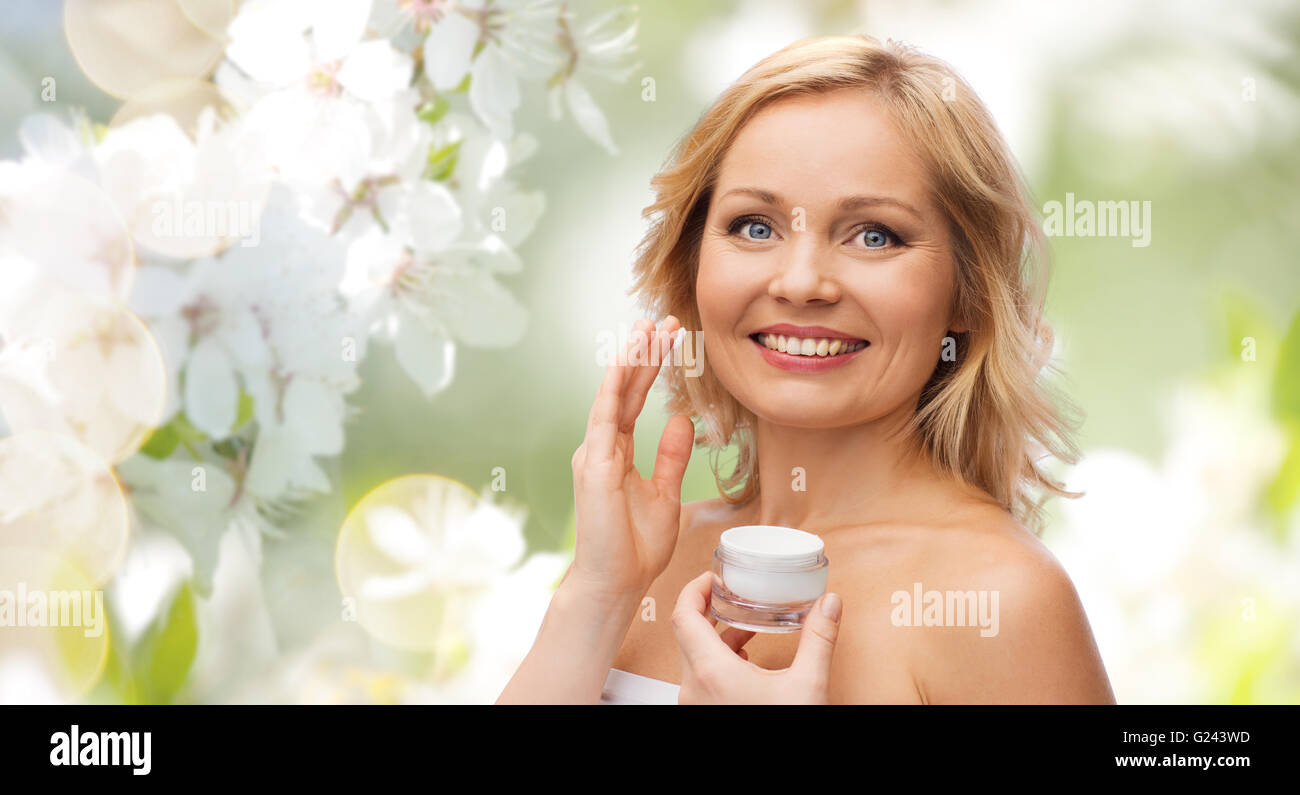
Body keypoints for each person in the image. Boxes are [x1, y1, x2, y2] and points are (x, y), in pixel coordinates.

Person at [497, 34, 1115, 704]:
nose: (801, 282)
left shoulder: (1000, 598)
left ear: (966, 293)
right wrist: (595, 594)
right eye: (756, 227)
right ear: (694, 262)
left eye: (874, 234)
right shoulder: (643, 559)